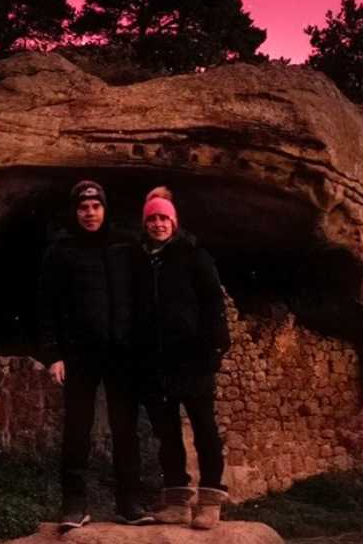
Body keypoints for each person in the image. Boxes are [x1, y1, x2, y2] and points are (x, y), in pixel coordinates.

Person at [35, 180, 147, 530]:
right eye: (83, 208)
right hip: (79, 354)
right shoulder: (60, 251)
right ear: (75, 212)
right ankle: (74, 505)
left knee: (125, 428)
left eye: (95, 207)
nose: (89, 213)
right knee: (77, 430)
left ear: (104, 209)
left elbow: (141, 298)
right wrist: (53, 354)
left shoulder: (124, 246)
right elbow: (46, 307)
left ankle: (129, 504)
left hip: (121, 354)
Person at [126, 186, 232, 530]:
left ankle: (210, 501)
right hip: (156, 362)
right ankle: (177, 503)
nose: (158, 224)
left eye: (163, 218)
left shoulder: (195, 256)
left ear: (174, 222)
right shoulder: (140, 260)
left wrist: (213, 351)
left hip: (192, 359)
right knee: (167, 433)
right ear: (145, 224)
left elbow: (214, 306)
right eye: (152, 219)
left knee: (204, 428)